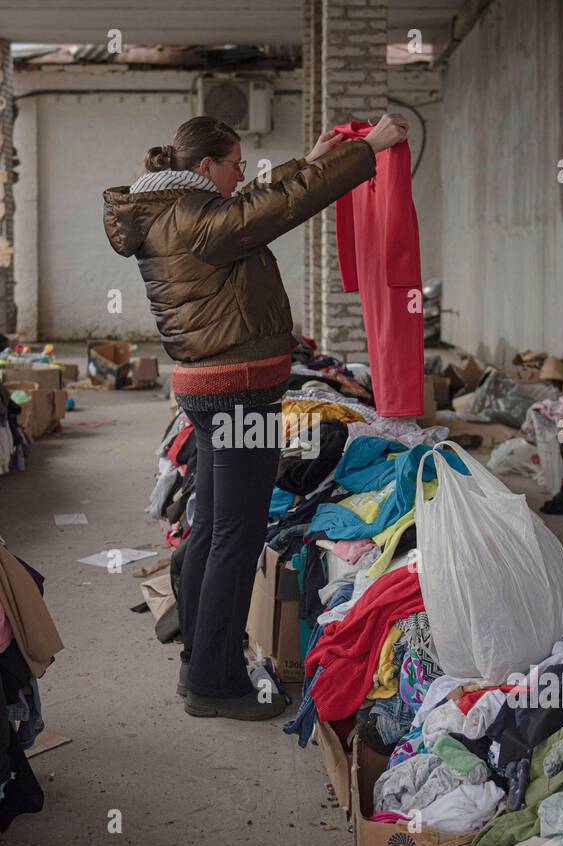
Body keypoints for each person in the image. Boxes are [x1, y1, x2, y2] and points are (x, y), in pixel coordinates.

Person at [103, 113, 408, 720]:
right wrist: (362, 154)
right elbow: (277, 207)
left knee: (214, 528)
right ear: (204, 167)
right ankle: (215, 684)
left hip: (216, 391)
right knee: (235, 537)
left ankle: (201, 659)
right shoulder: (195, 218)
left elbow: (255, 203)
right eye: (235, 162)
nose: (242, 172)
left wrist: (315, 156)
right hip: (239, 394)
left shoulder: (177, 210)